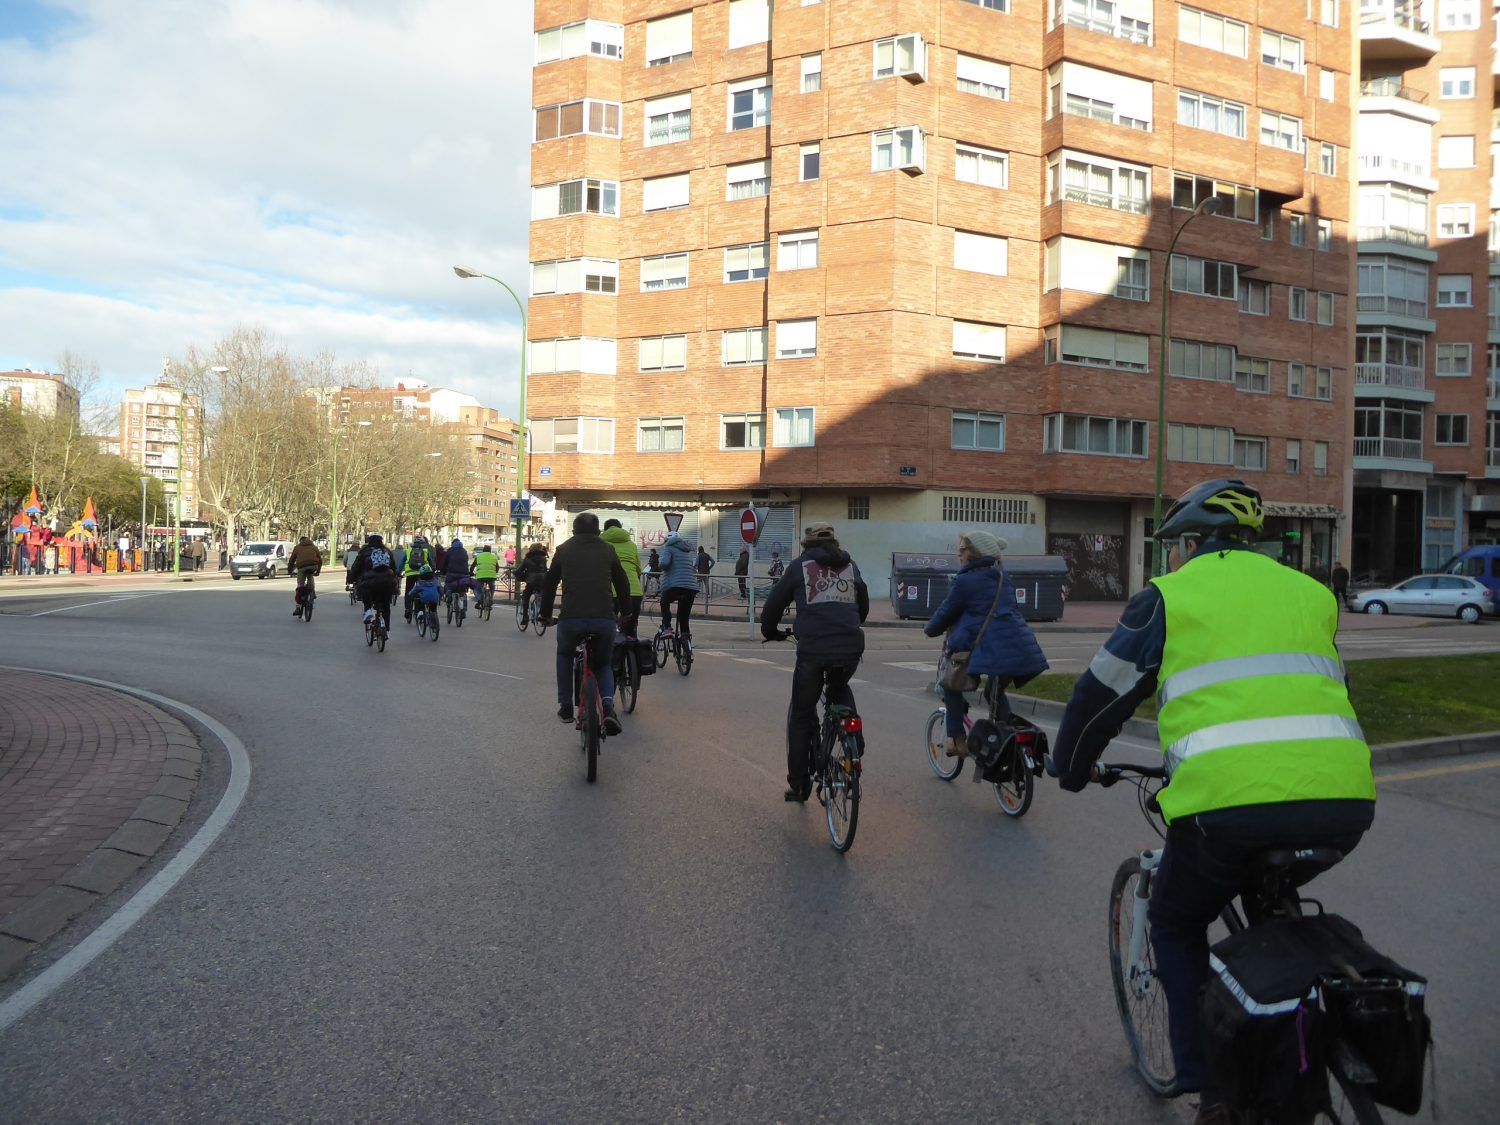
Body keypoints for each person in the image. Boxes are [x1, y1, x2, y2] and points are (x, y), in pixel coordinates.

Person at [1049, 480, 1376, 1125]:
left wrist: (1071, 767)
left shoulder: (1170, 597)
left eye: (1175, 548)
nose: (1172, 559)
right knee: (1268, 904)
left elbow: (1100, 695)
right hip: (1344, 800)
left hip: (1227, 807)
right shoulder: (1312, 593)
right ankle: (1290, 1015)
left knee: (1175, 923)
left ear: (1191, 545)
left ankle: (1211, 1091)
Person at [761, 524, 869, 802]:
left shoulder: (800, 566)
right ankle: (853, 738)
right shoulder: (850, 565)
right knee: (839, 686)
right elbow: (864, 604)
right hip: (851, 643)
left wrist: (770, 631)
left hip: (814, 648)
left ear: (806, 545)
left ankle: (798, 785)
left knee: (801, 713)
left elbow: (773, 605)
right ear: (835, 542)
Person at [923, 531, 1048, 759]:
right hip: (1019, 648)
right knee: (994, 691)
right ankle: (1007, 738)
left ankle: (958, 741)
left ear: (974, 553)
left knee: (951, 685)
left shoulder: (965, 581)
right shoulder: (1002, 577)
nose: (958, 555)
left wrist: (930, 629)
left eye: (961, 550)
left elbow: (945, 613)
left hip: (989, 649)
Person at [540, 513, 631, 734]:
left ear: (573, 531)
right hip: (603, 619)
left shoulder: (563, 549)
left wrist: (545, 614)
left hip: (571, 618)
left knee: (564, 654)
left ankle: (565, 706)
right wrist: (626, 612)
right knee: (603, 664)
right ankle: (608, 707)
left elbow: (550, 583)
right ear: (598, 532)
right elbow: (622, 581)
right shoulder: (608, 549)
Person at [601, 519, 644, 636]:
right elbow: (638, 569)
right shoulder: (632, 545)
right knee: (631, 629)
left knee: (606, 630)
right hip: (634, 591)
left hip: (609, 592)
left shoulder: (601, 544)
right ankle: (632, 650)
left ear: (605, 530)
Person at [349, 534, 399, 632]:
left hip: (370, 582)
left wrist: (351, 579)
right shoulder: (387, 551)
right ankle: (386, 630)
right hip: (387, 582)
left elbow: (356, 567)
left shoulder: (364, 551)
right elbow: (393, 567)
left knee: (366, 594)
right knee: (386, 605)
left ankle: (368, 610)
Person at [656, 531, 699, 641]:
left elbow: (665, 564)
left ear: (667, 540)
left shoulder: (668, 548)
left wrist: (660, 565)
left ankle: (667, 627)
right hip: (691, 588)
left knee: (664, 602)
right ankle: (686, 644)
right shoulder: (686, 550)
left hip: (674, 586)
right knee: (684, 617)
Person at [401, 535, 435, 622]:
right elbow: (431, 562)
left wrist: (397, 572)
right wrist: (433, 571)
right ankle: (420, 610)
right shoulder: (426, 551)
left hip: (410, 574)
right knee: (422, 590)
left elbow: (402, 562)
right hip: (422, 574)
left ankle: (408, 609)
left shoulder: (408, 551)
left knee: (408, 591)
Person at [288, 536, 322, 618]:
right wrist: (318, 571)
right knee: (310, 576)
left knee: (300, 585)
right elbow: (320, 560)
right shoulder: (314, 547)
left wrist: (290, 570)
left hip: (302, 567)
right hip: (313, 566)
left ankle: (298, 607)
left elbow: (292, 560)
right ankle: (312, 592)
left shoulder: (297, 547)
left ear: (300, 541)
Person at [517, 542, 549, 620]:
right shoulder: (544, 558)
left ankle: (525, 617)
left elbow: (520, 570)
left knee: (526, 597)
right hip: (542, 580)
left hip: (531, 581)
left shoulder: (528, 558)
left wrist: (518, 575)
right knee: (542, 595)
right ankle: (543, 614)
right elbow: (545, 569)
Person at [442, 538, 471, 606]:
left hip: (452, 573)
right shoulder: (464, 551)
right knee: (463, 589)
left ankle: (449, 597)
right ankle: (463, 607)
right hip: (464, 574)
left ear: (452, 544)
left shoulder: (449, 550)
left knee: (448, 585)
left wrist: (443, 571)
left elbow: (445, 562)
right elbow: (466, 561)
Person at [470, 543, 500, 610]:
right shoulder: (494, 556)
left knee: (477, 589)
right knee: (492, 587)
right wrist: (494, 572)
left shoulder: (479, 556)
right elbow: (497, 567)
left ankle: (480, 600)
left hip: (481, 576)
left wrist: (471, 573)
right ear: (490, 551)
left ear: (483, 550)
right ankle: (491, 598)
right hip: (491, 576)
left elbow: (472, 566)